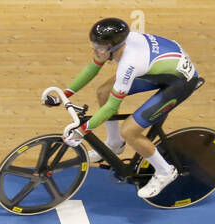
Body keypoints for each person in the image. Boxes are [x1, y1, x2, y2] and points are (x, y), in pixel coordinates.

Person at [43, 17, 201, 199]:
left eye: (100, 48)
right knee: (103, 91)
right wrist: (65, 95)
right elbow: (92, 69)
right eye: (94, 45)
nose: (96, 50)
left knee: (130, 131)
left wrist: (82, 131)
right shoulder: (114, 43)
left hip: (179, 83)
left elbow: (111, 107)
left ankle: (165, 172)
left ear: (114, 47)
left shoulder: (129, 64)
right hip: (161, 69)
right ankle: (114, 143)